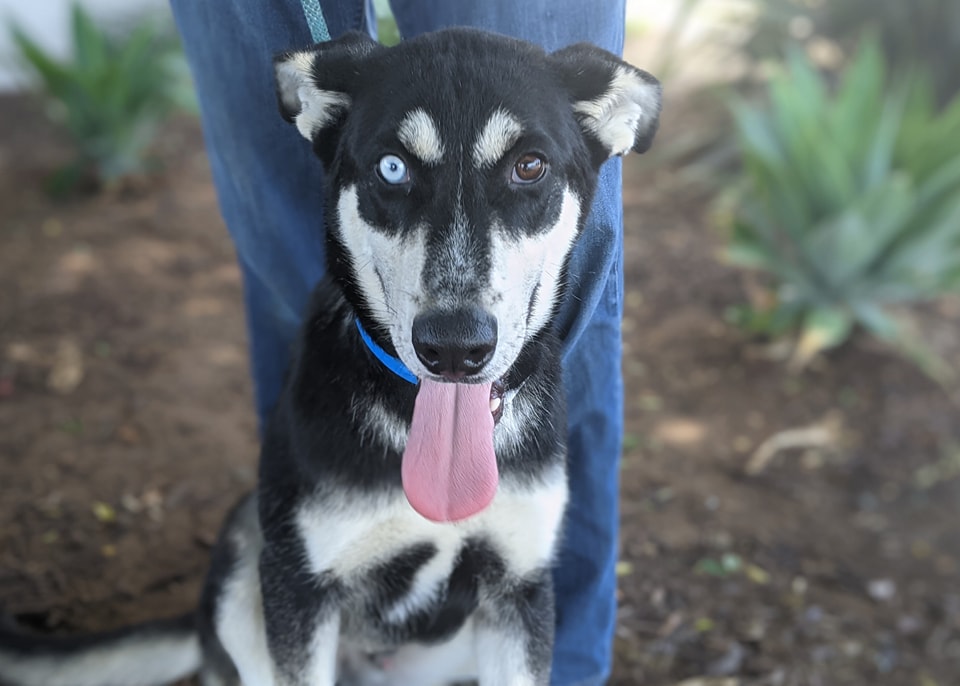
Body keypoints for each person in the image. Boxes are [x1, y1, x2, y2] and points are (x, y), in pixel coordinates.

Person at [169, 1, 628, 684]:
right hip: (335, 455)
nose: (457, 307)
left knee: (524, 579)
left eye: (528, 168)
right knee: (279, 242)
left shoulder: (584, 112)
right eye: (394, 168)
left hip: (438, 653)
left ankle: (575, 671)